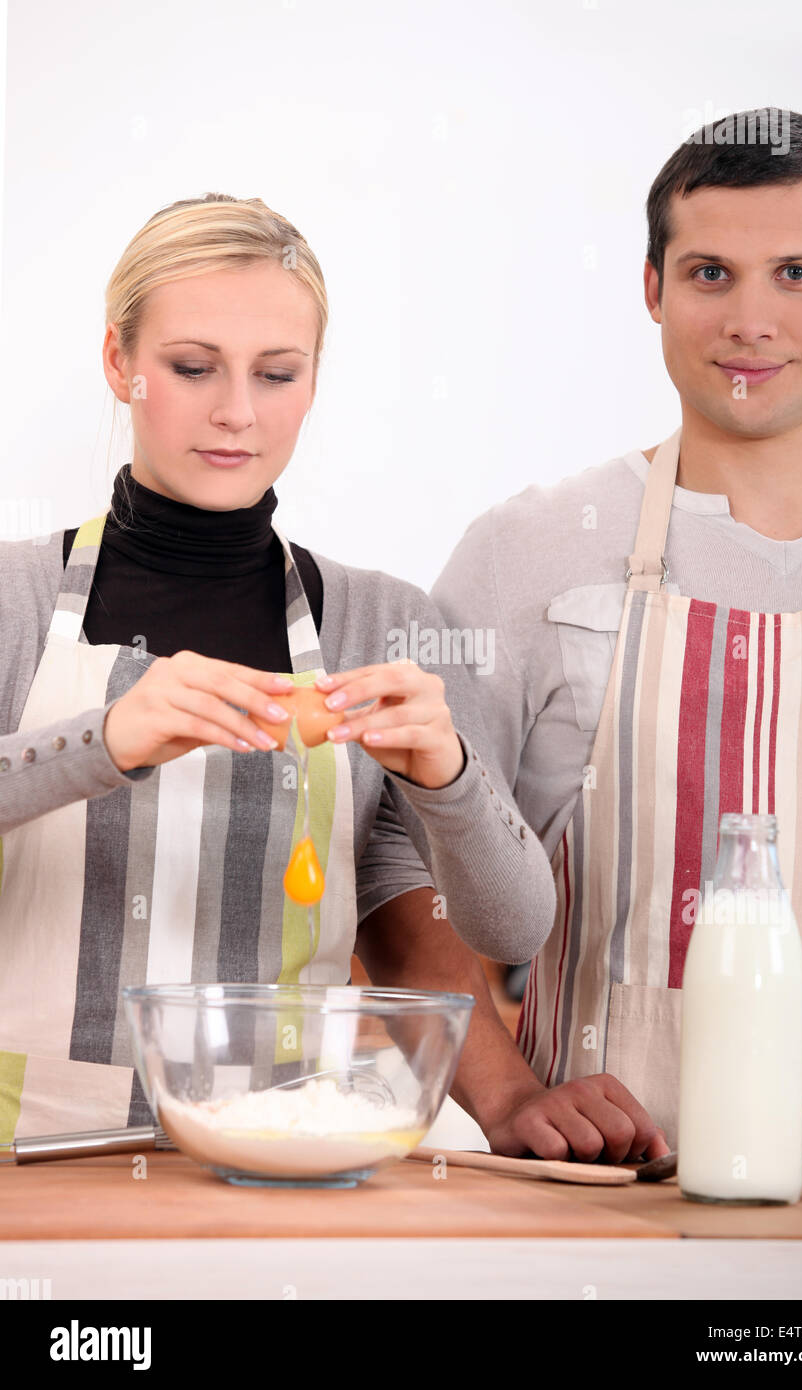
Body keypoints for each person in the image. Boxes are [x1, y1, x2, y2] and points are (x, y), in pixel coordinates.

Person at [0, 194, 557, 1141]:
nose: (235, 413)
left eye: (276, 374)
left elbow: (513, 930)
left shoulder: (381, 619)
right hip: (22, 1153)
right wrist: (106, 739)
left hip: (280, 1147)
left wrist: (449, 775)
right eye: (190, 368)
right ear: (118, 364)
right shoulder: (14, 601)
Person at [430, 108, 802, 1154]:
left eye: (796, 275)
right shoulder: (526, 552)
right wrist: (502, 1094)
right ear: (652, 289)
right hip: (602, 1204)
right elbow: (396, 864)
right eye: (709, 273)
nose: (749, 320)